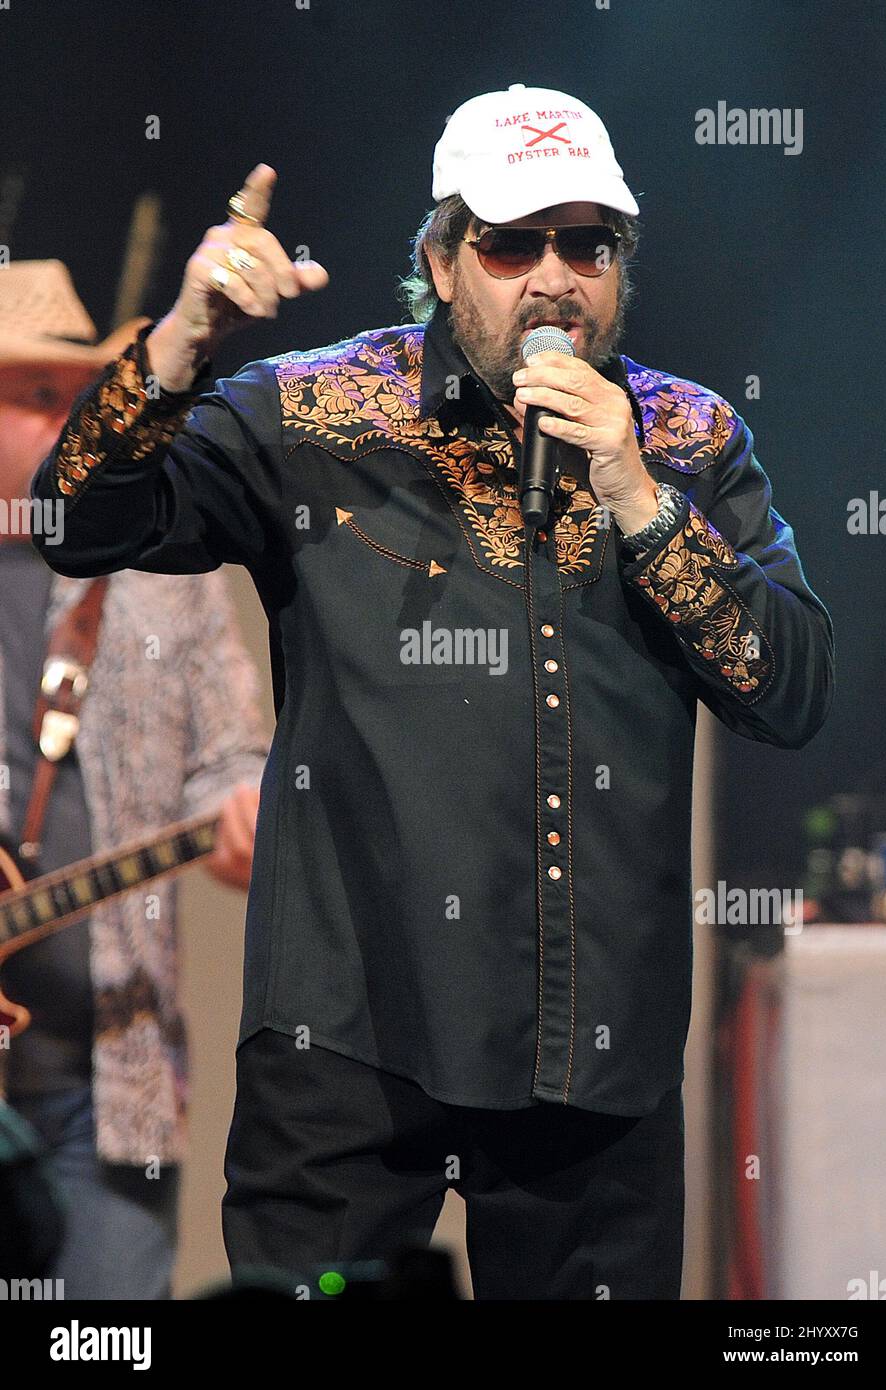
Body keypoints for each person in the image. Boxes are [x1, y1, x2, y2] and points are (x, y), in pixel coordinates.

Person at [30, 84, 834, 1300]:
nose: (553, 279)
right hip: (349, 1040)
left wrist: (634, 494)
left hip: (593, 1054)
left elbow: (790, 690)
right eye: (512, 243)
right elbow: (78, 523)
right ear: (444, 258)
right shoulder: (313, 412)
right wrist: (182, 342)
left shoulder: (684, 438)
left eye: (586, 244)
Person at [0, 259, 269, 1299]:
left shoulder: (160, 569)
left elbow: (230, 759)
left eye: (80, 394)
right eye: (37, 395)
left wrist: (239, 817)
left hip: (114, 1079)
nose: (69, 421)